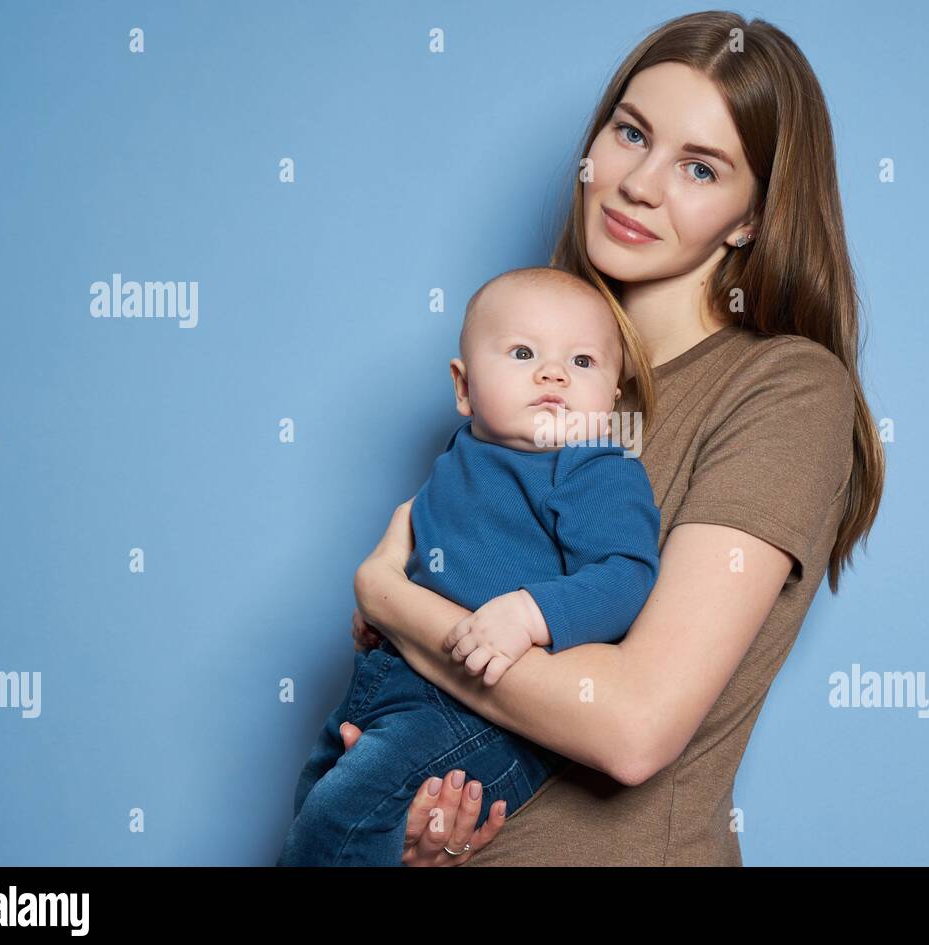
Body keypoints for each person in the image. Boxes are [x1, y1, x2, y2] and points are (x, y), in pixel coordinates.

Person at [342, 10, 885, 866]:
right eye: (631, 133)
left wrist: (387, 598)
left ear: (750, 218)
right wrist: (396, 814)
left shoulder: (784, 389)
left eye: (700, 168)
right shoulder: (526, 375)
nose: (639, 183)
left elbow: (632, 728)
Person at [276, 268, 661, 865]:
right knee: (315, 805)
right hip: (390, 676)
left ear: (613, 398)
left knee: (340, 819)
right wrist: (388, 613)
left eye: (583, 362)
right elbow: (445, 554)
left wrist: (530, 615)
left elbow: (626, 572)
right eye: (524, 353)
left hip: (484, 716)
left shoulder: (594, 467)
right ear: (464, 387)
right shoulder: (465, 450)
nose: (554, 373)